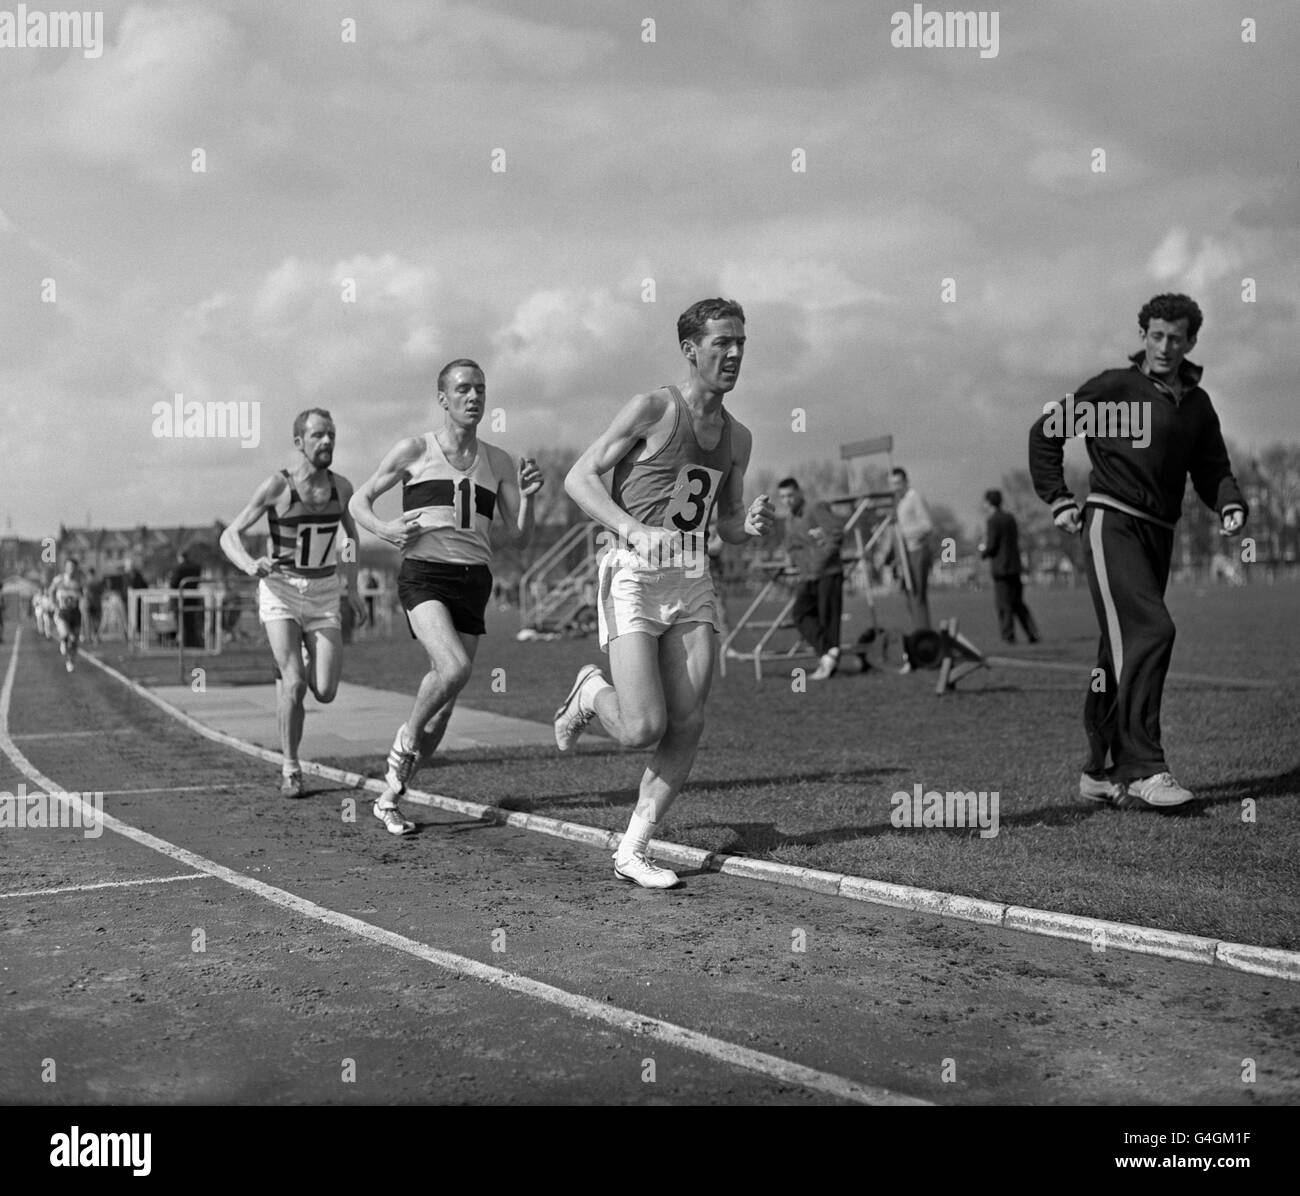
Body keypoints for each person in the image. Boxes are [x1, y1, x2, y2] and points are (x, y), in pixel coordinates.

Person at [552, 297, 775, 888]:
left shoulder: (738, 438)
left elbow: (723, 519)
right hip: (633, 573)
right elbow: (579, 477)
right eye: (721, 343)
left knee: (690, 723)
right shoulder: (653, 408)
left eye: (740, 343)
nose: (733, 353)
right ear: (690, 350)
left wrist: (744, 525)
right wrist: (629, 527)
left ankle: (633, 848)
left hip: (692, 576)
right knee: (641, 728)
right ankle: (589, 692)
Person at [1029, 293, 1247, 810]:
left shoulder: (1196, 405)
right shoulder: (1115, 388)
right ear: (1143, 336)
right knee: (1151, 631)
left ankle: (1098, 771)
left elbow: (1213, 468)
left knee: (1118, 651)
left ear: (1191, 341)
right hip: (1111, 523)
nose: (1165, 346)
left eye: (1176, 337)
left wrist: (1230, 504)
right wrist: (1059, 498)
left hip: (1159, 533)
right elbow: (1045, 433)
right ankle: (1145, 768)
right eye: (1155, 335)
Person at [349, 359, 543, 835]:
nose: (473, 397)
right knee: (454, 668)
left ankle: (391, 794)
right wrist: (386, 528)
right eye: (463, 390)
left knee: (441, 716)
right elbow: (359, 501)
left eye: (480, 388)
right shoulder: (415, 450)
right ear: (443, 398)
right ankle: (404, 738)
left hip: (474, 581)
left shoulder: (498, 461)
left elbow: (518, 538)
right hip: (424, 577)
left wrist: (532, 496)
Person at [220, 409, 367, 798]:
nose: (327, 442)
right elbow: (230, 534)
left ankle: (293, 671)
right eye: (318, 435)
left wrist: (352, 587)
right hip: (281, 591)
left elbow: (350, 540)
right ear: (299, 442)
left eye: (331, 435)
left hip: (323, 595)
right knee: (295, 682)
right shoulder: (277, 487)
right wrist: (251, 564)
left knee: (326, 689)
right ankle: (290, 767)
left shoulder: (343, 489)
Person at [777, 477, 846, 680]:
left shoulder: (815, 509)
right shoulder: (790, 518)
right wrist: (791, 557)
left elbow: (837, 534)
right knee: (800, 613)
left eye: (790, 495)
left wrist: (820, 560)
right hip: (807, 576)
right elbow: (790, 544)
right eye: (782, 497)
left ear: (799, 493)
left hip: (828, 573)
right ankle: (829, 652)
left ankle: (828, 660)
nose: (787, 500)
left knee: (828, 619)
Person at [889, 466, 935, 671]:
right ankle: (919, 637)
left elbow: (927, 525)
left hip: (917, 550)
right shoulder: (897, 502)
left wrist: (906, 533)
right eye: (892, 484)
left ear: (906, 481)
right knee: (908, 596)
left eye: (898, 483)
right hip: (904, 553)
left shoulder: (914, 497)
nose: (895, 487)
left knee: (918, 595)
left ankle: (926, 640)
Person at [979, 489, 1039, 645]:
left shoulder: (993, 520)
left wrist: (983, 552)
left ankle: (1008, 635)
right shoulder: (1010, 518)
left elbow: (992, 545)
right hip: (1014, 565)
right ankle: (1032, 632)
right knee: (1018, 602)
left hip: (1001, 568)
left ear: (989, 502)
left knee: (1003, 604)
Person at [47, 559, 85, 672]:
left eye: (74, 567)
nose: (72, 569)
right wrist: (53, 604)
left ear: (77, 568)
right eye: (70, 566)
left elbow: (84, 595)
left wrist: (82, 602)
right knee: (68, 635)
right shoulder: (58, 580)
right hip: (63, 612)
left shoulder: (80, 581)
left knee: (74, 642)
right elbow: (50, 591)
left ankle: (70, 660)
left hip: (76, 613)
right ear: (66, 567)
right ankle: (64, 640)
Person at [167, 549, 204, 647]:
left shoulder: (179, 568)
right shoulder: (197, 567)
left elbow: (173, 583)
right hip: (193, 599)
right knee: (191, 623)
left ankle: (184, 644)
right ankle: (193, 643)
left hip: (180, 600)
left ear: (180, 557)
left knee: (181, 623)